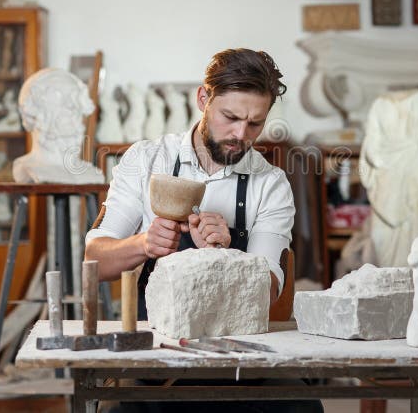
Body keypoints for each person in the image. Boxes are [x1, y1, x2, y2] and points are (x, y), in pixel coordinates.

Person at [85, 48, 322, 413]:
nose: (241, 134)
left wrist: (226, 258)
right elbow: (95, 260)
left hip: (243, 360)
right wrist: (144, 244)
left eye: (255, 123)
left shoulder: (270, 183)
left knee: (302, 408)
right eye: (231, 117)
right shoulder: (146, 160)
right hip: (156, 357)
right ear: (203, 99)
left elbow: (271, 291)